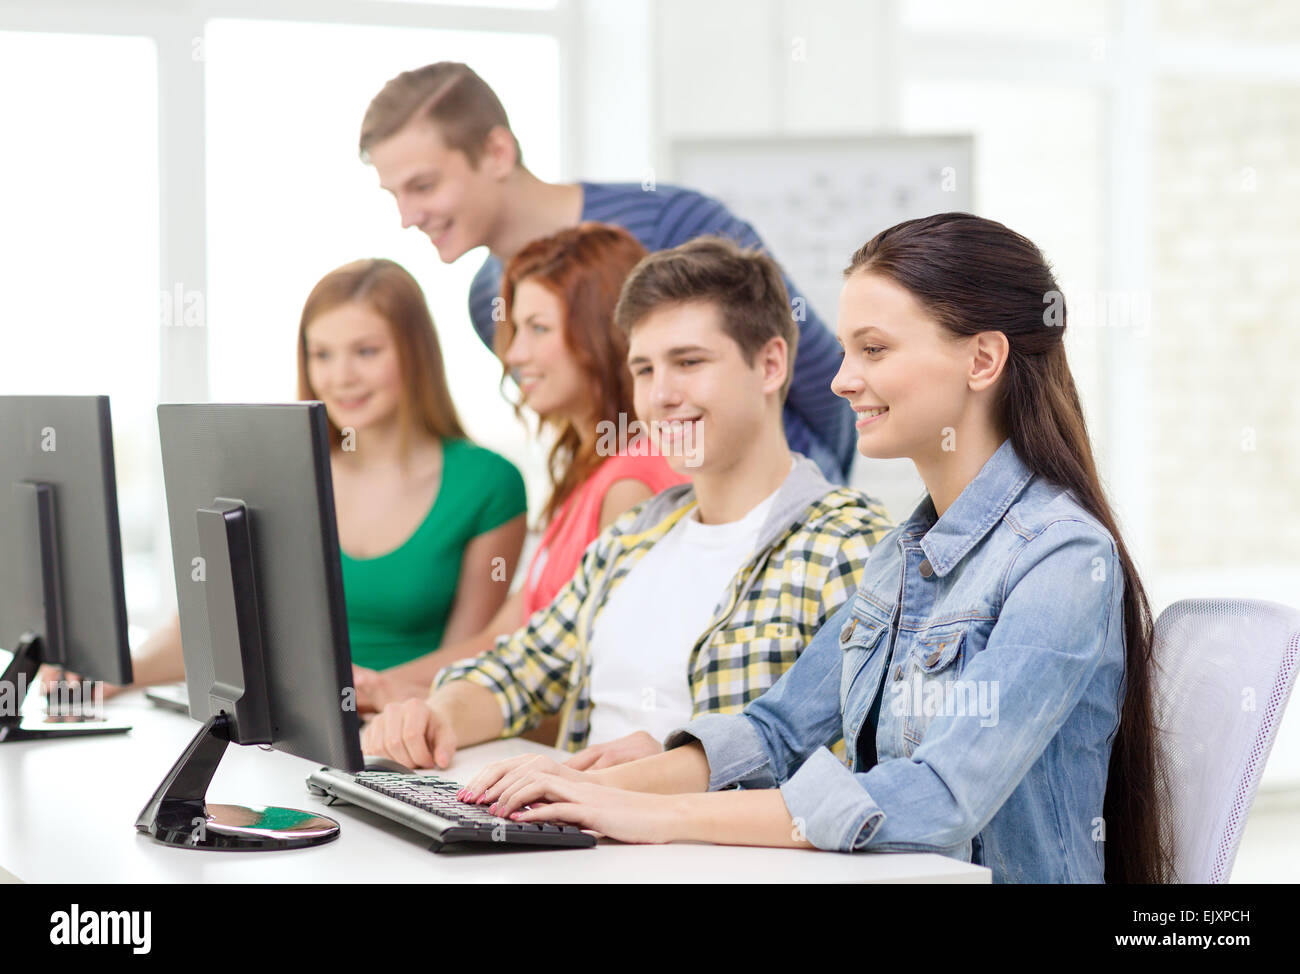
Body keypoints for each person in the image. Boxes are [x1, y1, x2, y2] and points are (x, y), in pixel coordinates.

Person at [456, 213, 1172, 885]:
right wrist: (588, 787)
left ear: (982, 359)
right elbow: (771, 732)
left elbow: (938, 794)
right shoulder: (903, 556)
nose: (839, 379)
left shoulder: (1063, 558)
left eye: (874, 349)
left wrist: (651, 815)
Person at [361, 236, 892, 771]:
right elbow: (518, 670)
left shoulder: (846, 543)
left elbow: (865, 771)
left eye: (688, 362)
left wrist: (666, 770)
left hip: (706, 849)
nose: (660, 395)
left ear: (770, 364)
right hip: (573, 839)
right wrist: (436, 715)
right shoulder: (633, 538)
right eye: (644, 370)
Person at [51, 259, 528, 702]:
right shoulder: (275, 475)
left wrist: (363, 692)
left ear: (415, 354)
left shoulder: (488, 483)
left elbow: (472, 658)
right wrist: (115, 671)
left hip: (404, 734)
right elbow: (204, 632)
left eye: (366, 351)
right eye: (322, 354)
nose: (341, 377)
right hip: (285, 732)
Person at [357, 61, 857, 483]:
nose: (407, 216)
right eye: (394, 195)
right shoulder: (486, 302)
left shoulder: (675, 223)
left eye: (423, 186)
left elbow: (821, 384)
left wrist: (809, 502)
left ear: (496, 154)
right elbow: (586, 436)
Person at [355, 223, 688, 715]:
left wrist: (428, 705)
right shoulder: (592, 473)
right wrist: (372, 688)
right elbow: (502, 640)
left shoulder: (633, 483)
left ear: (601, 330)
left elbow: (593, 687)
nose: (514, 355)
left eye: (538, 328)